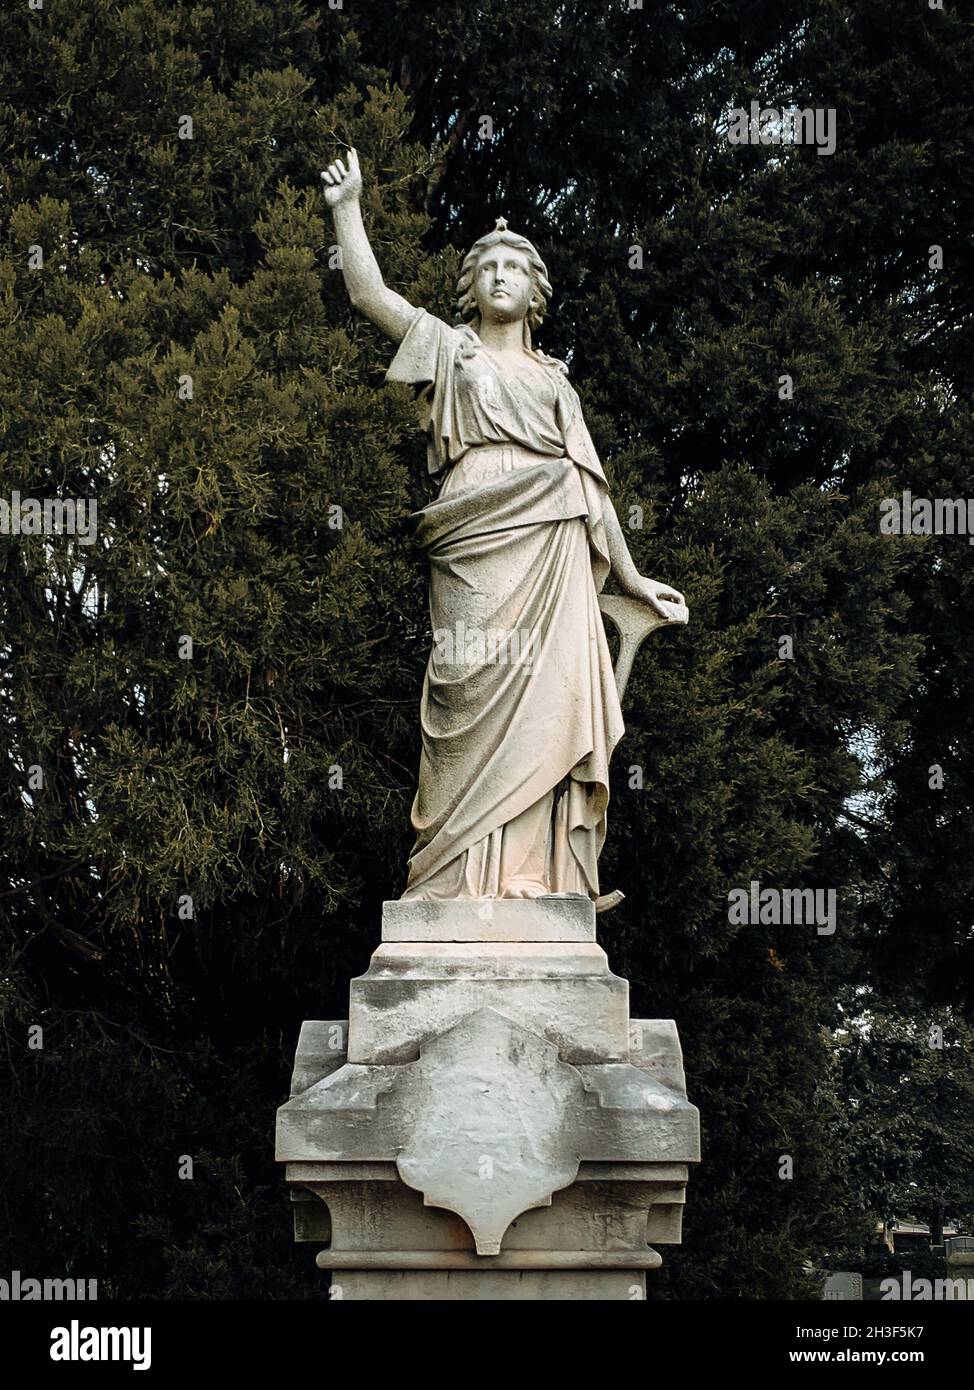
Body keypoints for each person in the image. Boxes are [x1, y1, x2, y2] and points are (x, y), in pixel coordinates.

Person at [322, 149, 686, 907]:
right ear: (470, 287)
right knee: (465, 692)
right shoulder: (451, 352)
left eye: (513, 268)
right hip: (473, 536)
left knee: (547, 704)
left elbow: (593, 489)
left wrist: (630, 577)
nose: (498, 277)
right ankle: (452, 877)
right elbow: (367, 294)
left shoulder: (558, 383)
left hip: (554, 542)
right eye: (485, 267)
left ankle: (533, 877)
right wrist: (347, 208)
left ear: (534, 289)